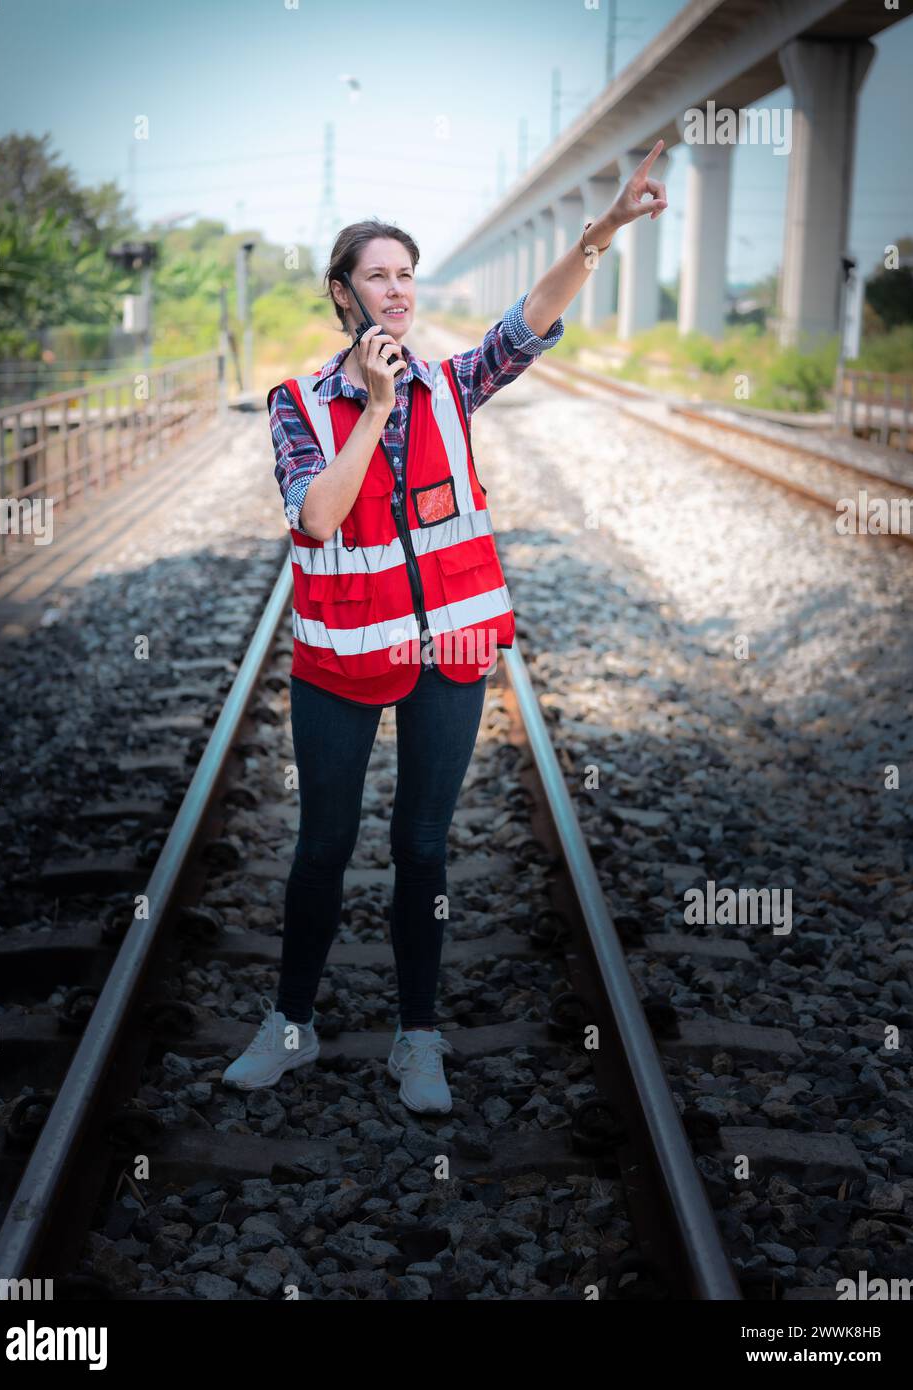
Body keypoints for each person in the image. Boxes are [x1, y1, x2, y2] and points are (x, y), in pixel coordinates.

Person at [223, 146, 668, 1113]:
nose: (396, 290)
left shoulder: (453, 385)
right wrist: (373, 407)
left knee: (423, 847)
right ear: (341, 294)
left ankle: (416, 1036)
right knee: (322, 845)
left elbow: (529, 320)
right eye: (377, 275)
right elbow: (317, 517)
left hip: (448, 653)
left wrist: (603, 232)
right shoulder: (297, 403)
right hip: (341, 659)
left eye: (406, 275)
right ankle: (290, 1024)